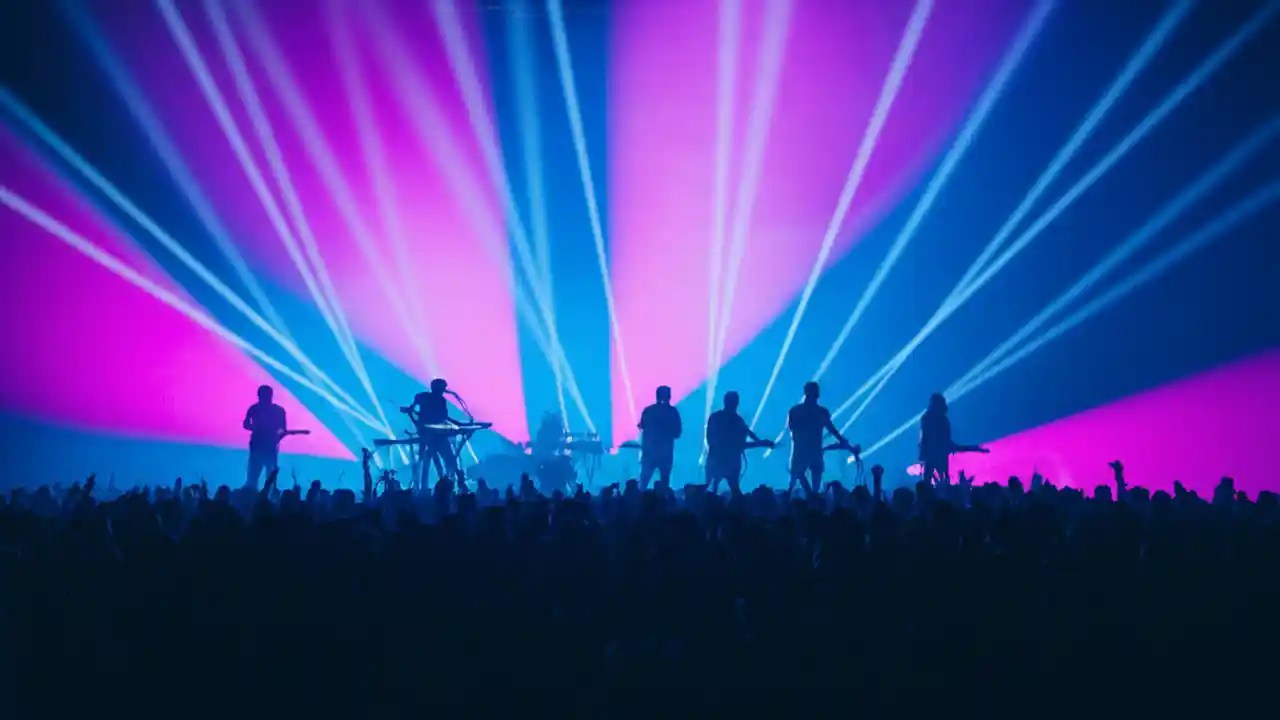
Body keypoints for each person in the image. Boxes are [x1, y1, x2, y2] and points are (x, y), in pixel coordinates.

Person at [788, 381, 851, 496]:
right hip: (807, 451)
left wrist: (841, 440)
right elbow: (830, 428)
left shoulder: (797, 410)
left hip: (808, 451)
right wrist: (842, 440)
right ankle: (810, 498)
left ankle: (809, 498)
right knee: (800, 479)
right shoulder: (816, 412)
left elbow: (830, 428)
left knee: (800, 479)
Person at [403, 378, 463, 490]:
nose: (443, 391)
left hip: (438, 433)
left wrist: (457, 423)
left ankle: (452, 483)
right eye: (441, 388)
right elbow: (412, 408)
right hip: (428, 434)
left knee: (448, 458)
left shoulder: (442, 401)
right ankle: (434, 485)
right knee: (438, 456)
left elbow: (444, 417)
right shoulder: (424, 397)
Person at [919, 392, 988, 487]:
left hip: (935, 455)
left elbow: (928, 439)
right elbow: (931, 439)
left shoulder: (934, 419)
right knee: (940, 482)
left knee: (934, 482)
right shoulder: (937, 420)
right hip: (936, 455)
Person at [705, 391, 767, 496]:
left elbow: (746, 434)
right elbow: (743, 440)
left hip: (719, 459)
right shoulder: (736, 420)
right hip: (725, 460)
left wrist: (760, 442)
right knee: (730, 488)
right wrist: (760, 442)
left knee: (713, 488)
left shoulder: (719, 418)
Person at [243, 384, 288, 489]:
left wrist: (276, 437)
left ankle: (267, 496)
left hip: (269, 446)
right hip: (258, 445)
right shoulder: (254, 408)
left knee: (270, 475)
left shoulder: (278, 410)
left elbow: (283, 429)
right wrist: (256, 428)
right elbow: (245, 424)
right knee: (254, 474)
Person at [637, 385, 682, 490]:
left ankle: (640, 501)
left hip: (649, 452)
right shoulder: (672, 412)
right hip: (665, 454)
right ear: (669, 396)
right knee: (664, 483)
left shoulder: (649, 410)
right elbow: (677, 433)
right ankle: (663, 503)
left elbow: (641, 426)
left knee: (643, 483)